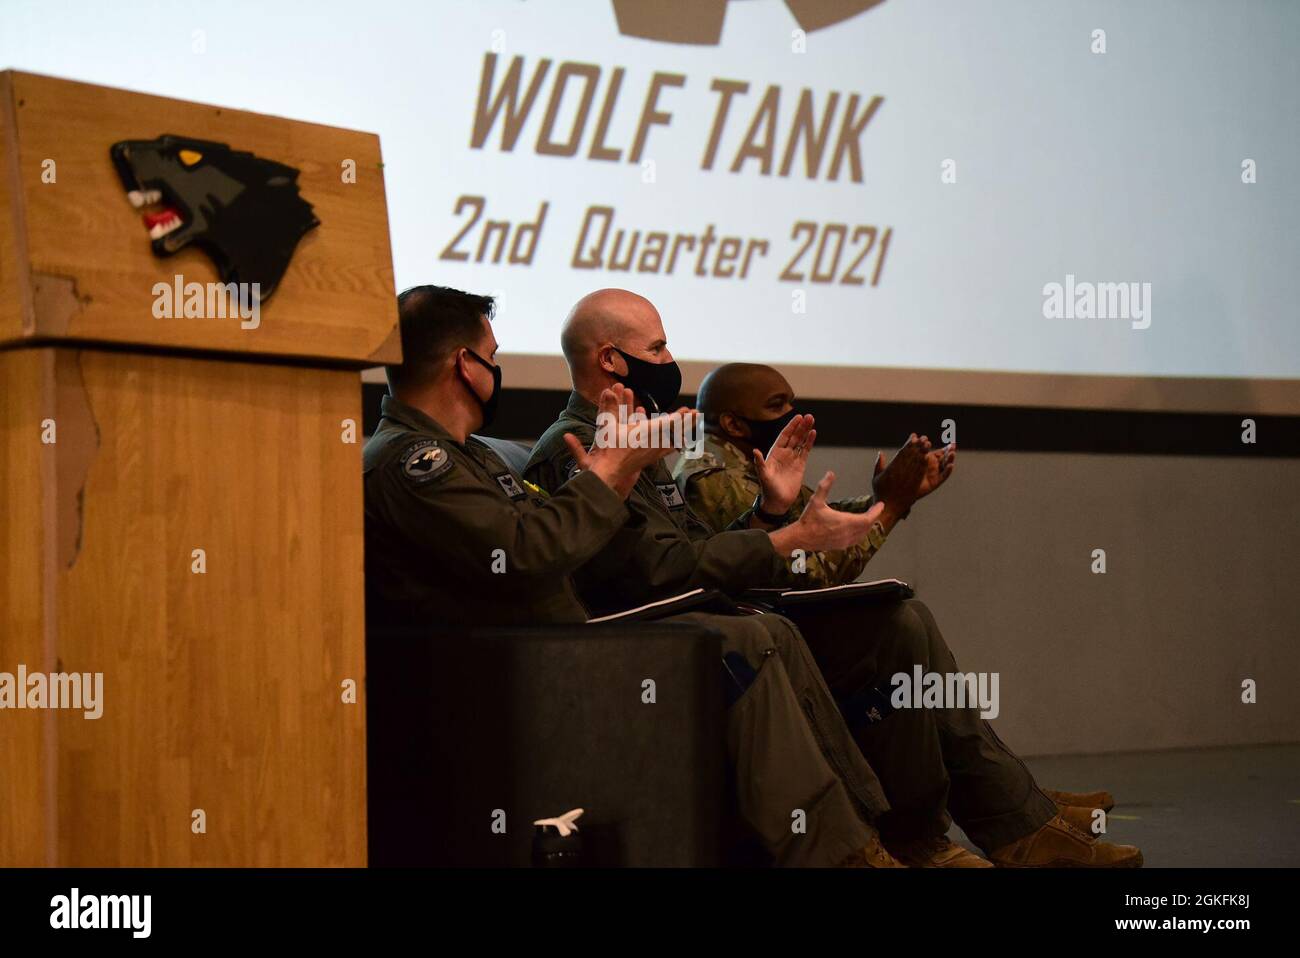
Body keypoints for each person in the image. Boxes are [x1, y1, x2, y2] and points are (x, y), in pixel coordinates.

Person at [524, 287, 1140, 868]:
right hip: (649, 648)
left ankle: (988, 828)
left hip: (709, 614)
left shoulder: (635, 437)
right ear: (611, 359)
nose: (670, 360)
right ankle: (860, 846)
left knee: (898, 623)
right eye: (657, 349)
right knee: (774, 633)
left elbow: (691, 551)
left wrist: (768, 512)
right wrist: (783, 537)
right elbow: (653, 575)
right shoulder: (577, 447)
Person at [365, 285, 914, 867]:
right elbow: (531, 554)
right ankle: (846, 855)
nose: (497, 370)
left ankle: (883, 836)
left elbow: (660, 547)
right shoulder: (415, 463)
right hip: (508, 672)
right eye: (494, 358)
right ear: (464, 365)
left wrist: (768, 517)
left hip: (559, 647)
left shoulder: (467, 454)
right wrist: (610, 473)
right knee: (749, 636)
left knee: (832, 622)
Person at [675, 362, 1117, 820]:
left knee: (911, 624)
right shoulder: (713, 475)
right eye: (777, 405)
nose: (792, 413)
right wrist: (894, 506)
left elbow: (814, 523)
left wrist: (884, 497)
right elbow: (814, 568)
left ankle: (1014, 798)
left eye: (790, 400)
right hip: (765, 633)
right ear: (732, 422)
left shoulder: (743, 458)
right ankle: (982, 812)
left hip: (784, 623)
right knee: (903, 623)